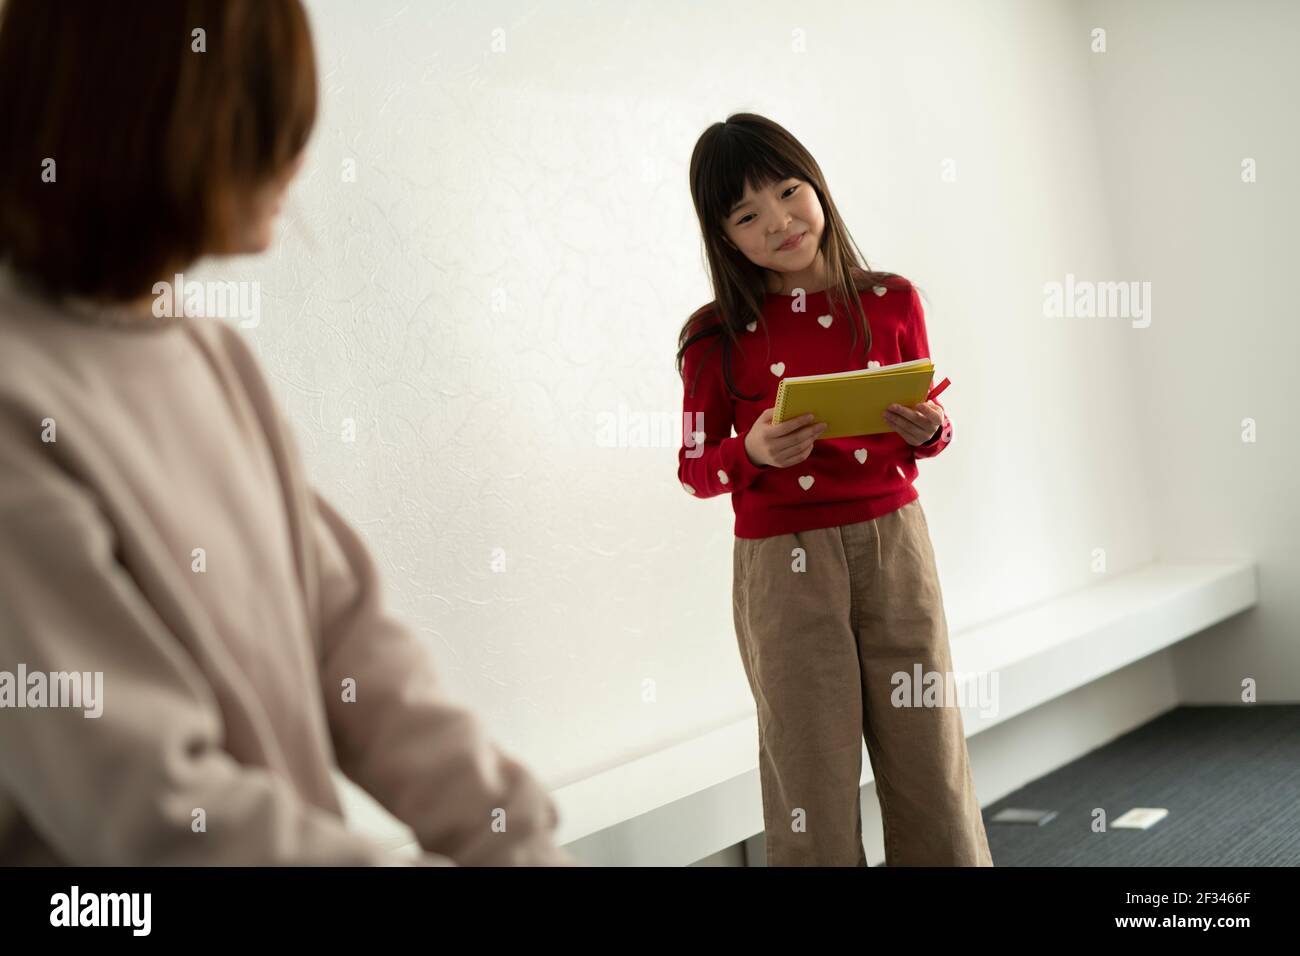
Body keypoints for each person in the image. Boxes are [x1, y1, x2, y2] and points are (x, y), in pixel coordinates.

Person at [0, 0, 576, 867]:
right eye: (266, 118)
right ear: (146, 115)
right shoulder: (18, 396)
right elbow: (153, 809)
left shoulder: (208, 352)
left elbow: (347, 640)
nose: (297, 156)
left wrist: (506, 830)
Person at [676, 113, 992, 866]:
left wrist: (930, 430)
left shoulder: (891, 299)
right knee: (808, 770)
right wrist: (747, 450)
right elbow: (694, 467)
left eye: (790, 192)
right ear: (724, 237)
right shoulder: (714, 335)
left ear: (817, 186)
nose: (780, 222)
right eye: (747, 215)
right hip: (782, 566)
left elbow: (933, 424)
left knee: (929, 750)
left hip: (895, 545)